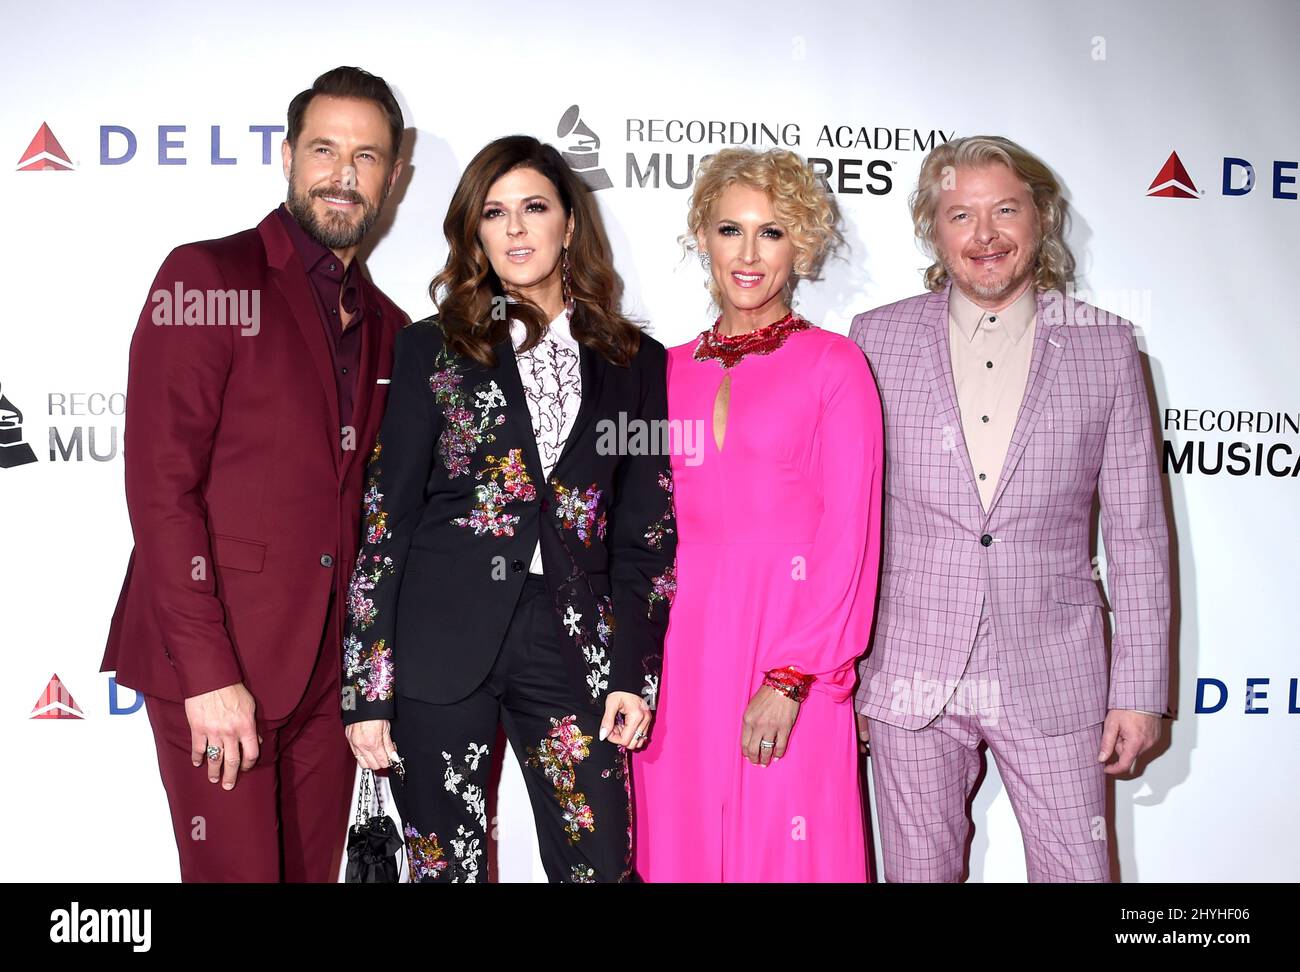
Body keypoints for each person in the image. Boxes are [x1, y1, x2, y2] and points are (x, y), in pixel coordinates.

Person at [101, 66, 409, 881]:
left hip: (327, 684)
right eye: (325, 149)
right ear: (286, 156)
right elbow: (161, 489)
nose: (344, 174)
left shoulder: (391, 326)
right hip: (219, 663)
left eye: (368, 156)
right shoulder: (206, 277)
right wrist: (208, 676)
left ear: (394, 175)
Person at [342, 135, 674, 883]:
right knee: (445, 872)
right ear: (474, 231)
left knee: (599, 865)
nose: (516, 230)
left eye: (534, 208)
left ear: (569, 224)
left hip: (572, 641)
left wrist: (634, 673)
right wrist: (368, 687)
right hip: (438, 641)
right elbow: (386, 520)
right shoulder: (431, 349)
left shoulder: (636, 363)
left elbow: (646, 535)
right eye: (494, 213)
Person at [852, 135, 1171, 882]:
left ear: (1042, 217)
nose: (985, 235)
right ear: (935, 230)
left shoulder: (1108, 345)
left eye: (1005, 210)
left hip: (1056, 669)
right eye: (961, 215)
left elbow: (1138, 534)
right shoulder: (876, 338)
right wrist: (851, 676)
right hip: (910, 672)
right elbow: (851, 524)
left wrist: (1140, 689)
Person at [633, 148, 883, 882]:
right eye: (729, 230)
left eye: (771, 233)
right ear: (702, 239)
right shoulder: (660, 369)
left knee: (787, 844)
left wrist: (793, 675)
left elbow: (850, 536)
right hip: (678, 649)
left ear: (800, 245)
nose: (748, 254)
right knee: (676, 843)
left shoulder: (835, 366)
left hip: (792, 646)